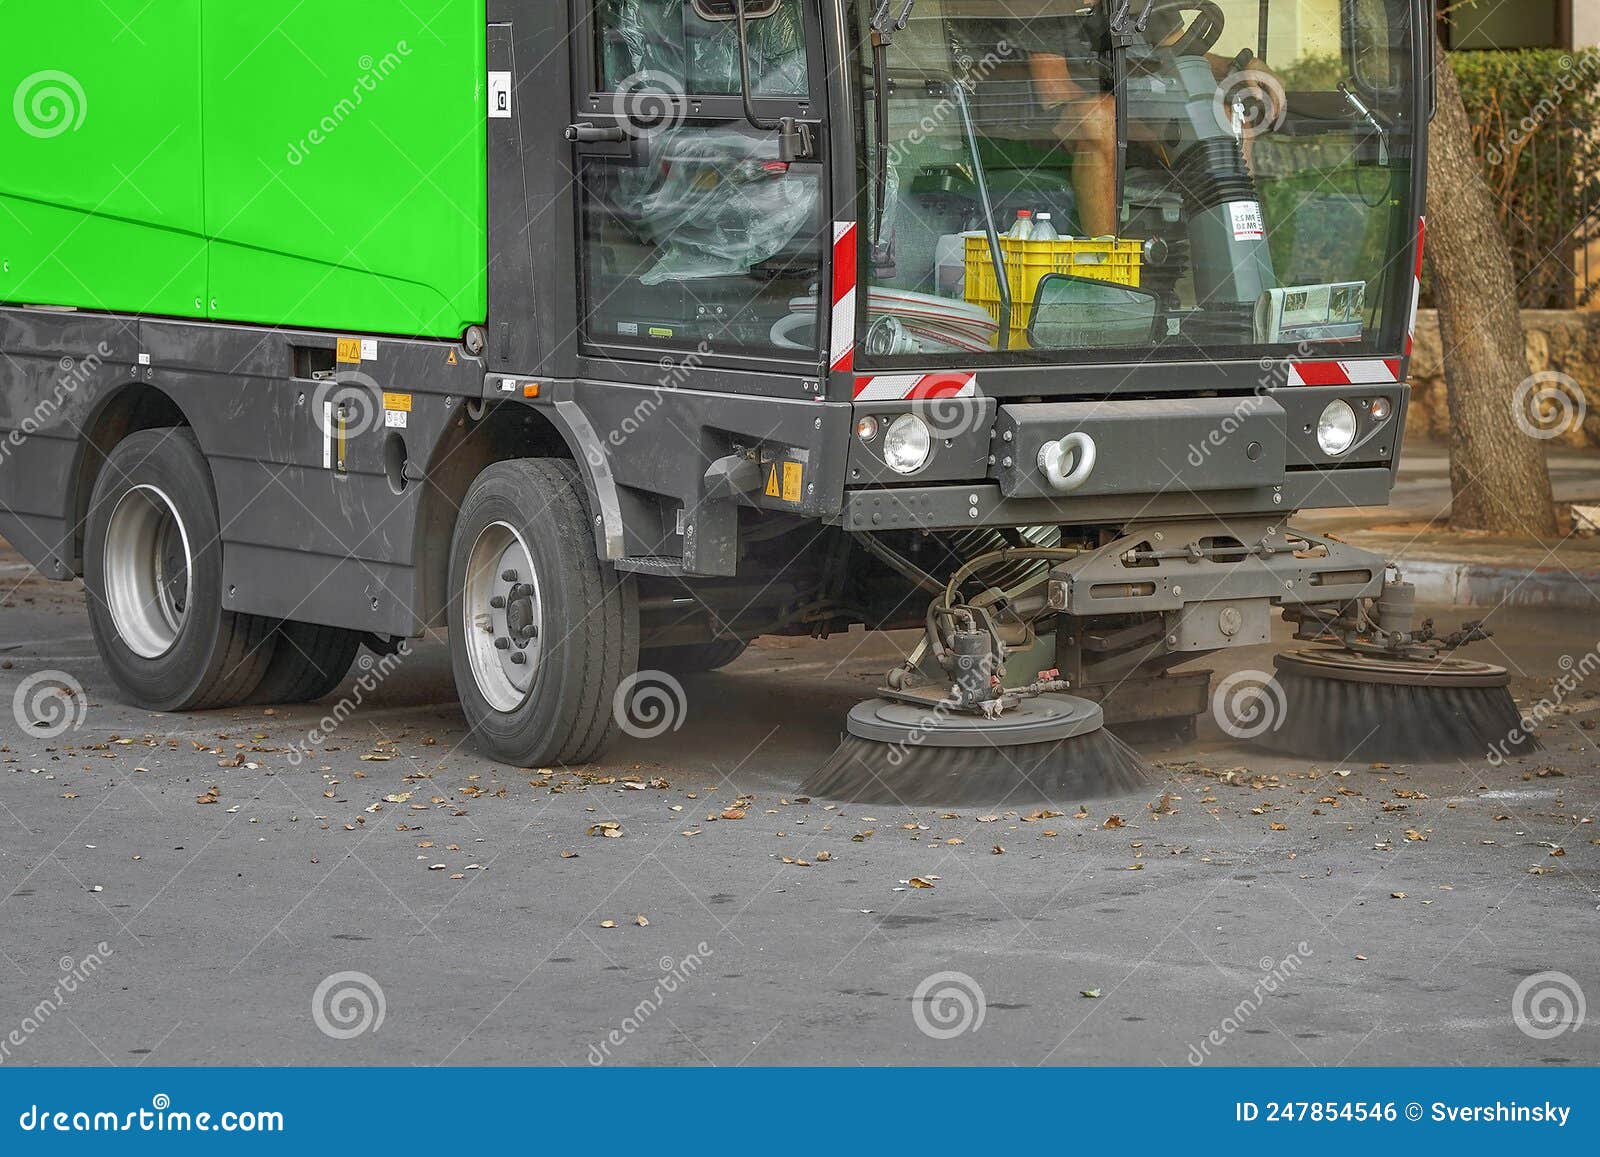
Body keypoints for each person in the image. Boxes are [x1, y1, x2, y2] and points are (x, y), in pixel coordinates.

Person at [1023, 1, 1281, 237]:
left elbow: (1181, 50)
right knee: (1101, 118)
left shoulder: (1140, 3)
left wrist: (1243, 64)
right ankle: (1106, 270)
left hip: (1137, 118)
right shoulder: (1050, 6)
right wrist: (1138, 126)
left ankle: (1234, 252)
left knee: (1230, 122)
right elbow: (1054, 91)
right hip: (1054, 126)